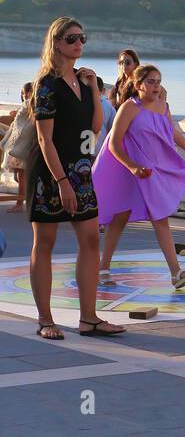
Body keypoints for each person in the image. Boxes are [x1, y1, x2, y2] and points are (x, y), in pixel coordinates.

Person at [27, 17, 125, 340]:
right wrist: (61, 182)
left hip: (81, 172)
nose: (78, 43)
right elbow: (44, 140)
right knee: (45, 242)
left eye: (82, 37)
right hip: (51, 174)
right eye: (71, 38)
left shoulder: (84, 83)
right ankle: (45, 319)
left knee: (91, 240)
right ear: (56, 43)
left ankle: (89, 318)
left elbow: (97, 127)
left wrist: (95, 89)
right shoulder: (46, 85)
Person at [92, 63, 185, 289]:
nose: (156, 86)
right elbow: (113, 143)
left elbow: (172, 132)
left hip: (153, 171)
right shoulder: (130, 107)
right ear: (138, 84)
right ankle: (103, 268)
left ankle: (176, 273)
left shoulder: (163, 106)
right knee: (119, 218)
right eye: (151, 82)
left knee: (160, 217)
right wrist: (131, 166)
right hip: (127, 168)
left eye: (158, 81)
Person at [1, 82, 34, 210]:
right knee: (18, 176)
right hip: (20, 145)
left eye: (28, 92)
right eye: (23, 93)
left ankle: (20, 203)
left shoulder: (30, 105)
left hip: (24, 145)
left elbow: (25, 124)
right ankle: (23, 201)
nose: (25, 95)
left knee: (21, 175)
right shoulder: (27, 105)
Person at [93, 76, 116, 155]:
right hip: (100, 150)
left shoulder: (82, 102)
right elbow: (112, 130)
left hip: (82, 149)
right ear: (103, 90)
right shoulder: (109, 106)